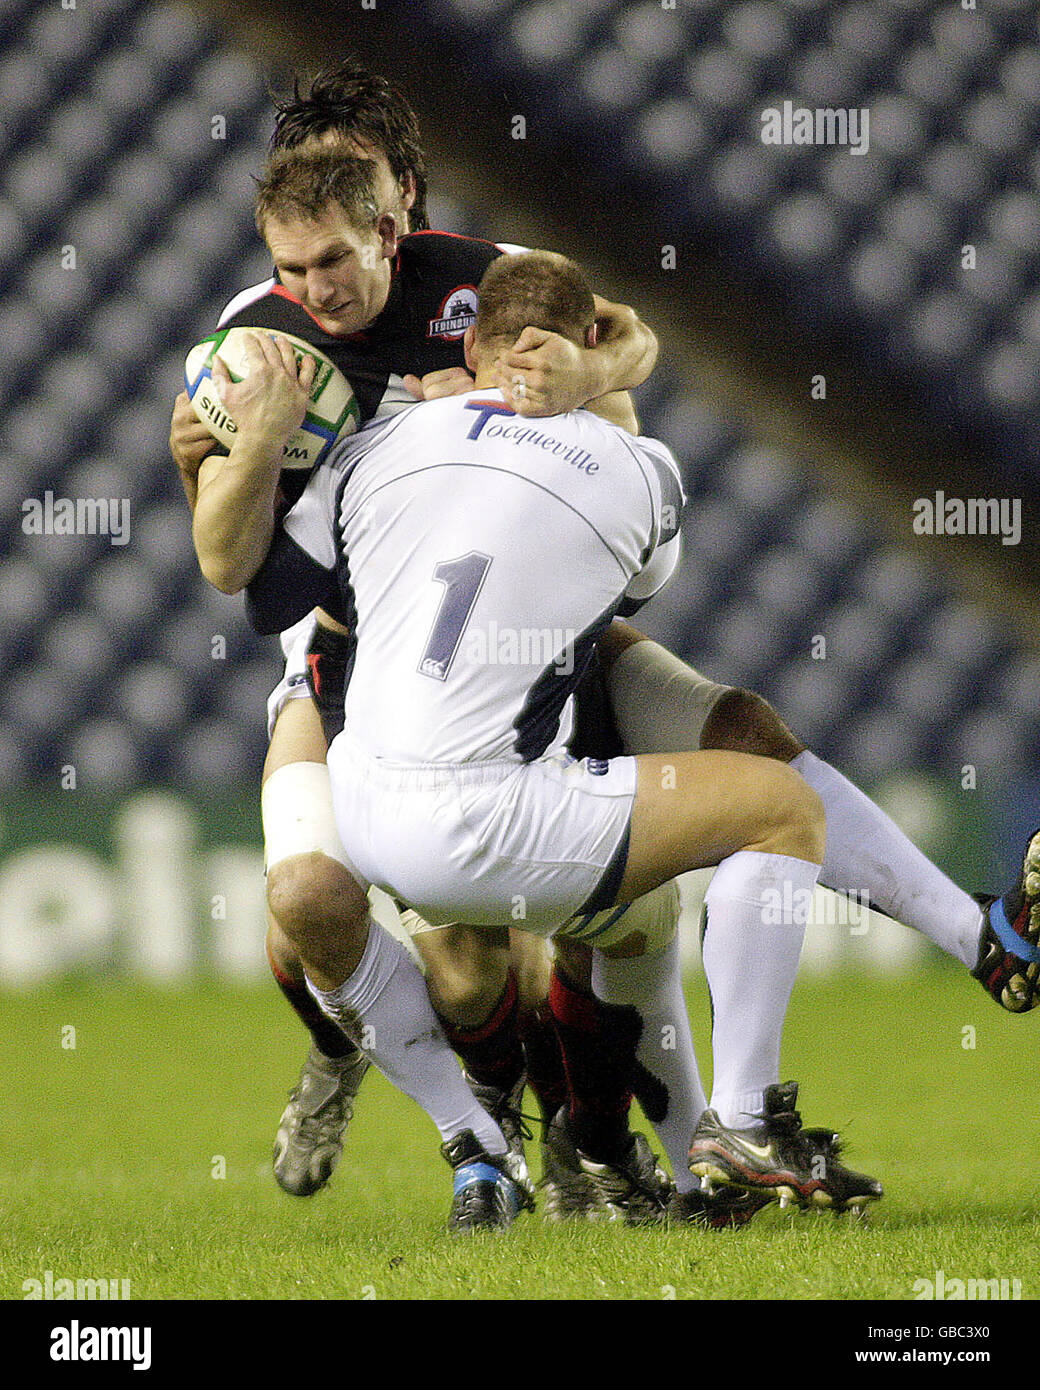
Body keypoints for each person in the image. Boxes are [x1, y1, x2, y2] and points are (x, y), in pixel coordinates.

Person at [240, 250, 887, 1218]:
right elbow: (637, 583)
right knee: (780, 813)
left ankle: (484, 1147)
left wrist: (245, 454)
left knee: (336, 907)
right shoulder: (632, 462)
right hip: (490, 812)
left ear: (467, 347)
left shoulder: (374, 448)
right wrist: (609, 395)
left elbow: (256, 584)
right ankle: (728, 1123)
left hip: (368, 800)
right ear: (584, 350)